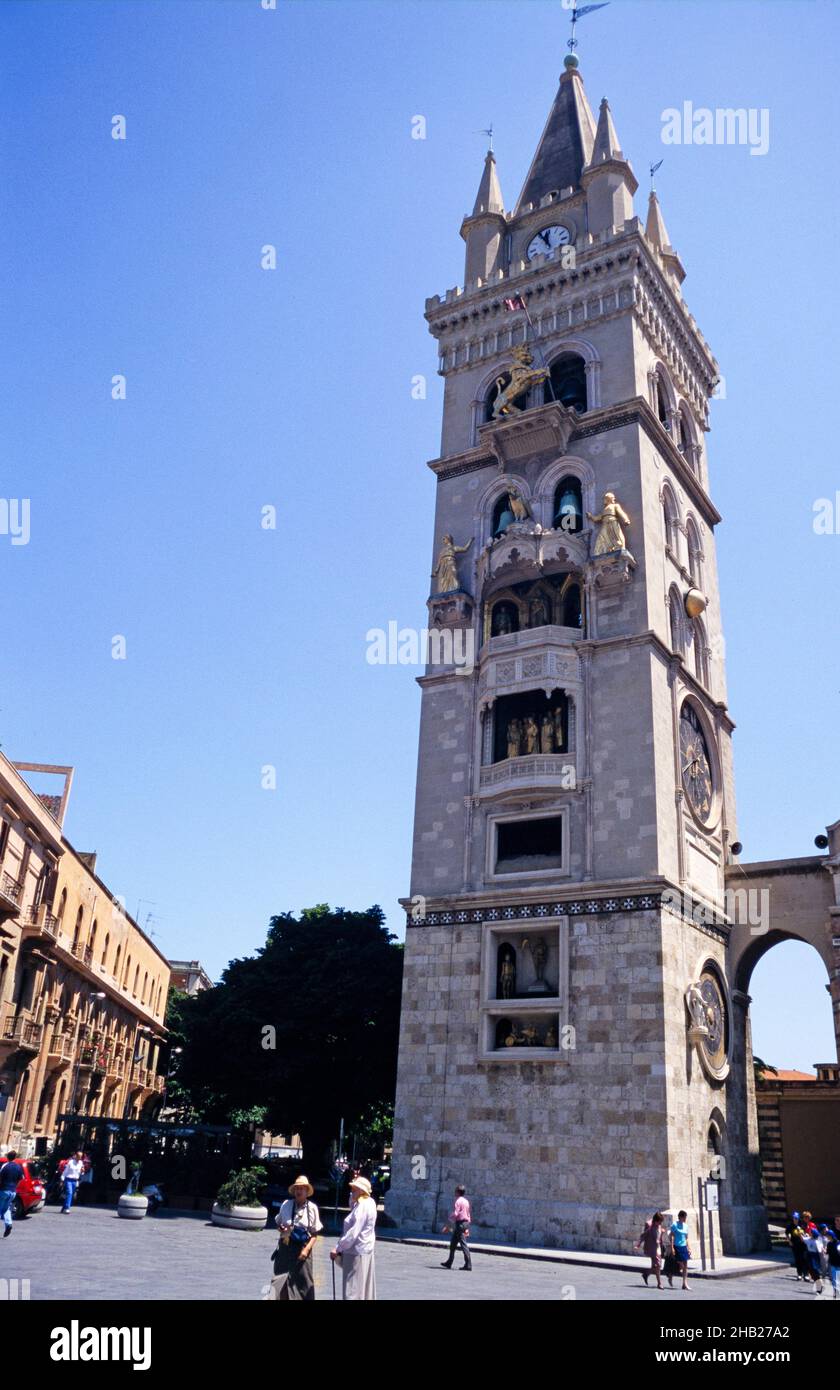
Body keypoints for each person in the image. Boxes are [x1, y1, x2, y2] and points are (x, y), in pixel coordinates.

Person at [271, 1175, 322, 1301]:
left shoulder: (312, 1208)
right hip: (285, 1246)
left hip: (303, 1249)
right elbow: (278, 1223)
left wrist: (306, 1250)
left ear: (306, 1192)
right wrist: (282, 1229)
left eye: (302, 1189)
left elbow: (315, 1234)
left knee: (303, 1283)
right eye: (297, 1188)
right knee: (281, 1280)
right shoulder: (286, 1204)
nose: (299, 1191)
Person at [331, 1176, 377, 1300]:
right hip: (364, 1251)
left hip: (355, 1252)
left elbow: (353, 1233)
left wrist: (338, 1248)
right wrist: (353, 1199)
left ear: (362, 1191)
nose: (352, 1191)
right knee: (362, 1290)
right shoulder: (369, 1203)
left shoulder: (362, 1207)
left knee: (352, 1291)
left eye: (355, 1189)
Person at [440, 1185, 472, 1271]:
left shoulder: (458, 1201)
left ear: (457, 1192)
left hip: (460, 1224)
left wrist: (447, 1226)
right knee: (453, 1243)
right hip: (465, 1223)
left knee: (463, 1244)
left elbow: (455, 1214)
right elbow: (468, 1215)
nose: (454, 1192)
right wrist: (467, 1228)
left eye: (455, 1191)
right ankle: (449, 1262)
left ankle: (468, 1264)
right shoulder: (466, 1201)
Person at [634, 1212, 666, 1288]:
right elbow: (643, 1236)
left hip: (658, 1247)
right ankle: (659, 1283)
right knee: (658, 1265)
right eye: (659, 1222)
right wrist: (638, 1245)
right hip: (652, 1248)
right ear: (655, 1220)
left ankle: (646, 1274)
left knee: (655, 1266)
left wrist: (662, 1233)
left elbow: (659, 1236)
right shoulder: (649, 1225)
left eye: (661, 1222)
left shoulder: (659, 1225)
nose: (660, 1223)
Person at [0, 1151, 24, 1237]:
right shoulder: (18, 1167)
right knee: (6, 1209)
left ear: (7, 1157)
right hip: (12, 1191)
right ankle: (8, 1224)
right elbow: (21, 1178)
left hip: (3, 1190)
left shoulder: (5, 1166)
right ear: (15, 1157)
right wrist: (15, 1187)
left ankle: (8, 1225)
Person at [669, 1210, 691, 1291]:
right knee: (679, 1264)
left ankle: (684, 1283)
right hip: (676, 1246)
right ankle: (670, 1275)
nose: (685, 1218)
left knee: (685, 1265)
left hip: (683, 1246)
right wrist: (672, 1248)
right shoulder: (674, 1225)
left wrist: (689, 1247)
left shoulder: (686, 1226)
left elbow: (687, 1237)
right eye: (684, 1217)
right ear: (680, 1217)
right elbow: (671, 1236)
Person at [786, 1211, 810, 1281]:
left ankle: (806, 1274)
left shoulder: (803, 1224)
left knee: (805, 1259)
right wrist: (789, 1241)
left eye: (796, 1218)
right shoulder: (790, 1226)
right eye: (794, 1218)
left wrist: (805, 1236)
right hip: (795, 1245)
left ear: (798, 1218)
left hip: (803, 1244)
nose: (795, 1219)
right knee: (798, 1259)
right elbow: (787, 1233)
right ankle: (799, 1274)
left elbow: (807, 1232)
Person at [827, 1219, 840, 1299]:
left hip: (839, 1263)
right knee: (834, 1279)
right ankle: (836, 1292)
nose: (827, 1237)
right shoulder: (829, 1243)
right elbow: (827, 1252)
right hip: (832, 1263)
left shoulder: (838, 1243)